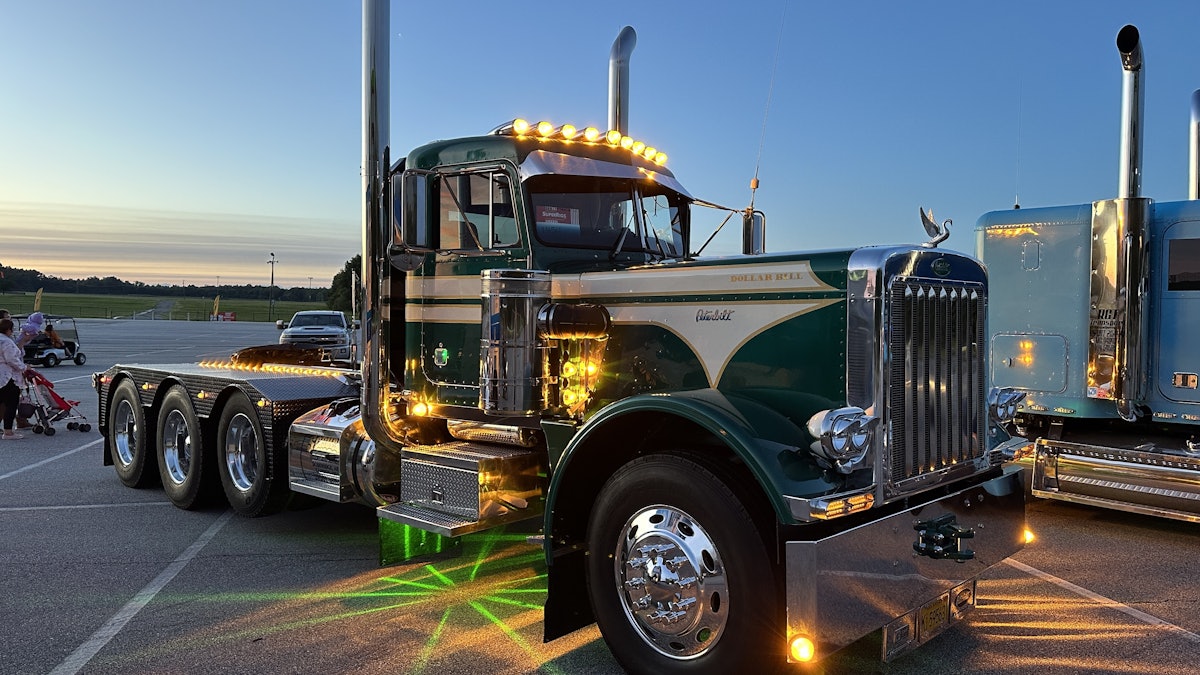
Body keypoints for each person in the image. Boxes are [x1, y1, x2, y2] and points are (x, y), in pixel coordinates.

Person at [0, 318, 29, 440]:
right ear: (8, 330)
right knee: (11, 403)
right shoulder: (6, 342)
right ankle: (8, 432)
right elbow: (11, 359)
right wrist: (24, 367)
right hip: (7, 376)